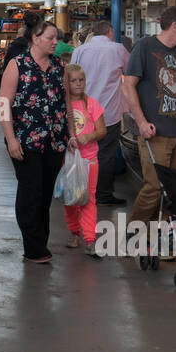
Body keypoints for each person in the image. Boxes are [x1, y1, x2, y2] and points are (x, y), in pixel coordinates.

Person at [123, 6, 176, 227]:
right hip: (155, 133)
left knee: (174, 190)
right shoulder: (144, 47)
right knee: (155, 187)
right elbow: (128, 86)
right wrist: (141, 122)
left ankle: (164, 236)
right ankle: (132, 233)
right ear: (174, 26)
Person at [0, 21, 68, 264]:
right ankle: (33, 246)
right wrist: (10, 139)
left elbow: (65, 101)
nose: (55, 42)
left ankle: (41, 241)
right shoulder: (17, 65)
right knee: (31, 191)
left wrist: (70, 133)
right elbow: (2, 104)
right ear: (35, 38)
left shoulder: (60, 66)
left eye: (56, 38)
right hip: (25, 140)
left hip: (55, 140)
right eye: (50, 37)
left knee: (46, 193)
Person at [71, 20, 131, 205]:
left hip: (83, 110)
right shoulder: (118, 49)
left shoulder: (80, 50)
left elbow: (71, 75)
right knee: (105, 154)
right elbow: (130, 72)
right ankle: (102, 194)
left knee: (82, 152)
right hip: (108, 112)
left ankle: (79, 191)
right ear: (110, 32)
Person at [62, 63, 107, 255]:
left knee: (89, 199)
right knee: (71, 200)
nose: (78, 84)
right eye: (73, 81)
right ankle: (74, 233)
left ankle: (90, 239)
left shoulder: (92, 104)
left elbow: (102, 130)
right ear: (66, 83)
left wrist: (88, 137)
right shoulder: (62, 106)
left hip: (90, 160)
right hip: (69, 162)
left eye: (81, 80)